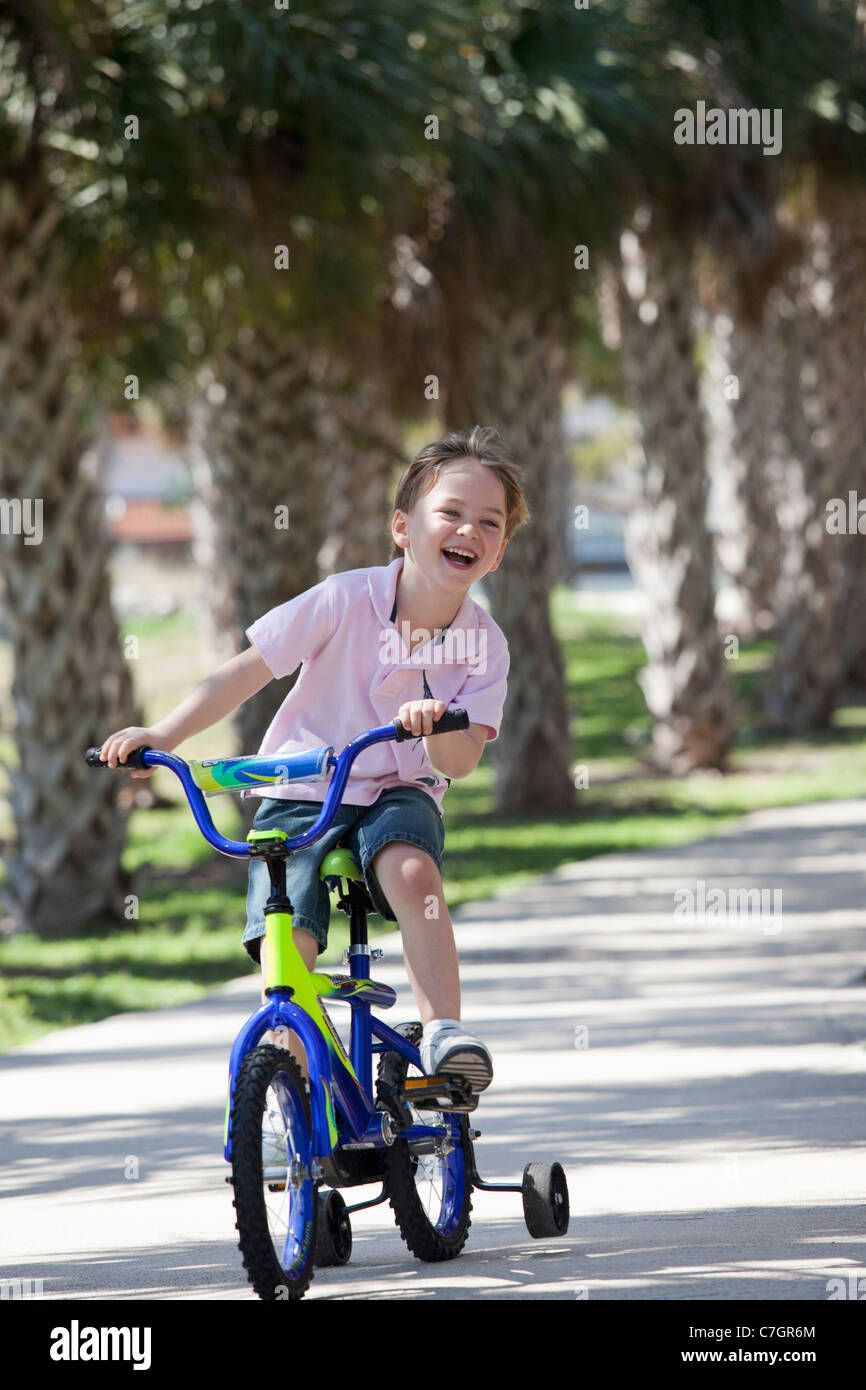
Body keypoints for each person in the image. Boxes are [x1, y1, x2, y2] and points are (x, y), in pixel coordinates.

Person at [99, 425, 530, 1090]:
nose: (468, 529)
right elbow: (246, 673)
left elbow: (463, 758)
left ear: (498, 552)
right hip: (302, 784)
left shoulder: (484, 645)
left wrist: (434, 722)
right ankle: (288, 1091)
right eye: (450, 512)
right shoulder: (343, 599)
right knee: (286, 926)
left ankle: (444, 1030)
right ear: (403, 527)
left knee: (414, 874)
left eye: (489, 522)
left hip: (397, 790)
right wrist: (165, 733)